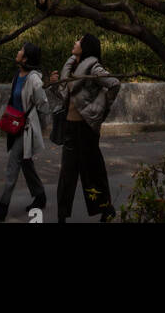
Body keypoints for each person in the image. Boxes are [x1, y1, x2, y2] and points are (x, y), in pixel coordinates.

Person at [50, 34, 120, 223]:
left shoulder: (93, 68)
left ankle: (106, 209)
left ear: (86, 47)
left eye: (79, 41)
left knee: (93, 171)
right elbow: (67, 97)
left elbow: (114, 84)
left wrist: (98, 109)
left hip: (86, 128)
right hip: (71, 126)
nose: (75, 42)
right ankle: (62, 215)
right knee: (67, 173)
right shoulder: (73, 68)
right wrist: (56, 83)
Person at [0, 42, 51, 221]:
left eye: (21, 50)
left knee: (13, 164)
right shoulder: (18, 75)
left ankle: (2, 205)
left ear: (26, 57)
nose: (18, 51)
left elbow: (44, 106)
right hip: (14, 126)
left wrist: (33, 113)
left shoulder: (34, 79)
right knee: (25, 163)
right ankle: (40, 195)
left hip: (25, 129)